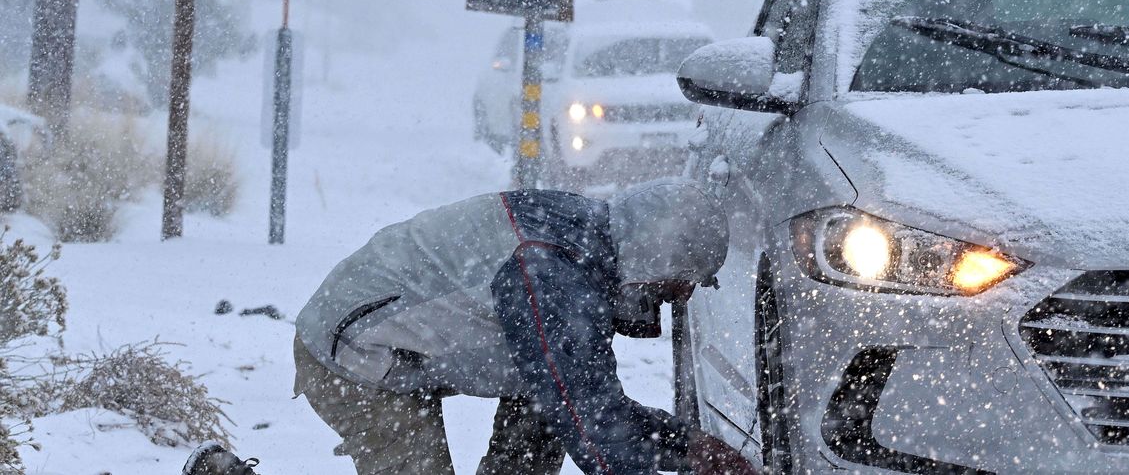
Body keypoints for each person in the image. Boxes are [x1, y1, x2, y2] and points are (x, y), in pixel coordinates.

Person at [184, 180, 758, 475]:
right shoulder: (552, 276)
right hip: (356, 352)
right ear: (655, 257)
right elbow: (597, 435)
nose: (676, 299)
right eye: (677, 284)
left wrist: (685, 448)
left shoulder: (591, 241)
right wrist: (690, 452)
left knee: (543, 415)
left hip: (412, 339)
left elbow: (582, 403)